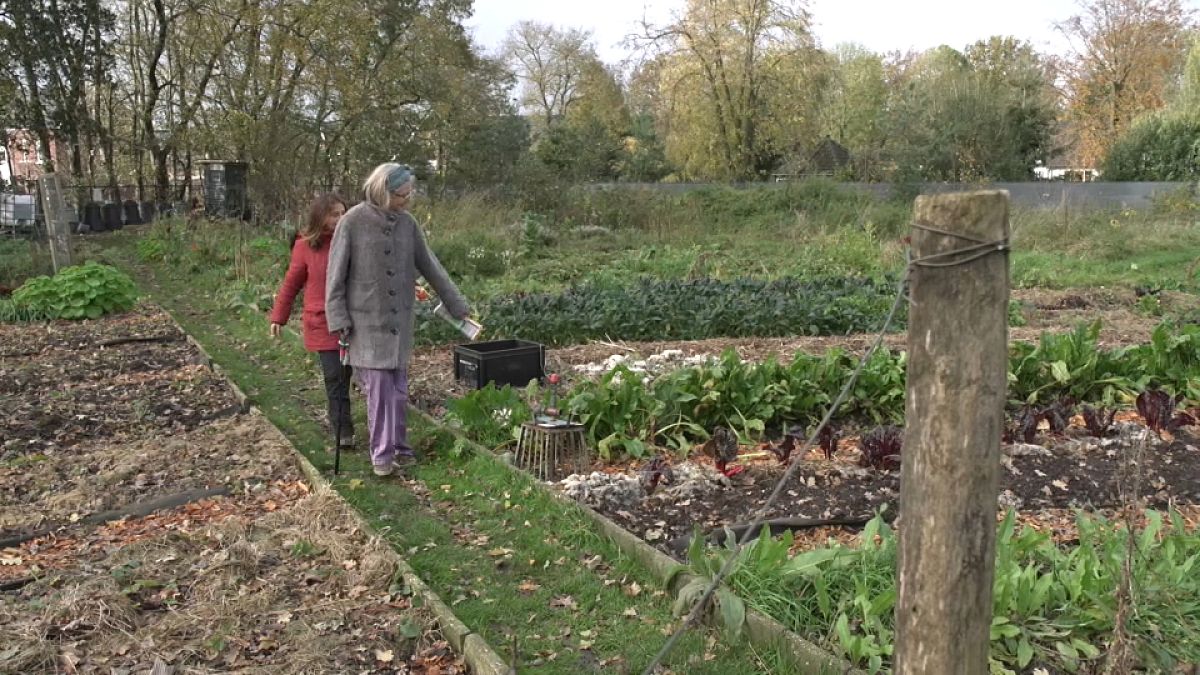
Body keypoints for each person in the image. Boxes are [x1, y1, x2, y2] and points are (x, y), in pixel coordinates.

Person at [326, 163, 470, 477]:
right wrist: (338, 319)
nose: (407, 200)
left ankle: (401, 448)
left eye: (408, 194)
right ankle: (381, 457)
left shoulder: (408, 224)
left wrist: (457, 305)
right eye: (401, 195)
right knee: (380, 393)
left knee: (399, 391)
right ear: (382, 192)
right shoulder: (352, 222)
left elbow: (431, 266)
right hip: (365, 323)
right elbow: (334, 277)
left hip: (399, 323)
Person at [269, 193, 354, 449]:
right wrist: (279, 316)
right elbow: (291, 282)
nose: (340, 219)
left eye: (343, 213)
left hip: (354, 320)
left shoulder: (353, 241)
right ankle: (343, 430)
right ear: (320, 217)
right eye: (334, 214)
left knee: (351, 374)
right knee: (335, 376)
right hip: (322, 322)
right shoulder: (305, 246)